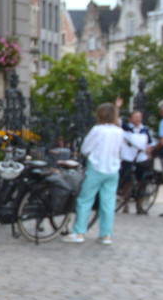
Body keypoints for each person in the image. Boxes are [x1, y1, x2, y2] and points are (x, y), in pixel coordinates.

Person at [62, 103, 146, 245]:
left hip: (97, 167)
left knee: (85, 200)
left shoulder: (97, 130)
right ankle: (106, 234)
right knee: (108, 202)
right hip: (113, 169)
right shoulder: (118, 131)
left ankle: (79, 231)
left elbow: (86, 148)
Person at [119, 107, 153, 214]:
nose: (138, 119)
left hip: (141, 158)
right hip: (128, 158)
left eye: (139, 117)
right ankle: (125, 203)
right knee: (126, 181)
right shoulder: (126, 128)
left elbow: (150, 144)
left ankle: (140, 205)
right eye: (135, 117)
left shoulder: (145, 130)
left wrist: (149, 152)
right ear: (131, 118)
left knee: (141, 182)